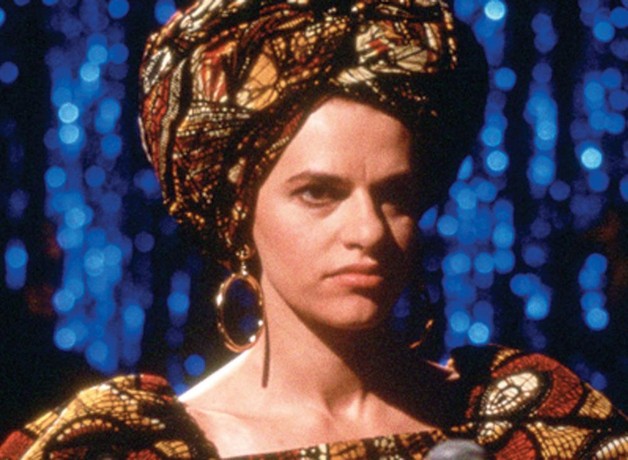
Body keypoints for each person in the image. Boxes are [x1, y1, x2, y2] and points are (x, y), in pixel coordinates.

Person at [1, 1, 626, 459]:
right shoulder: (121, 446)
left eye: (395, 196)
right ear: (239, 215)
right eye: (318, 194)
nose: (368, 231)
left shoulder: (526, 425)